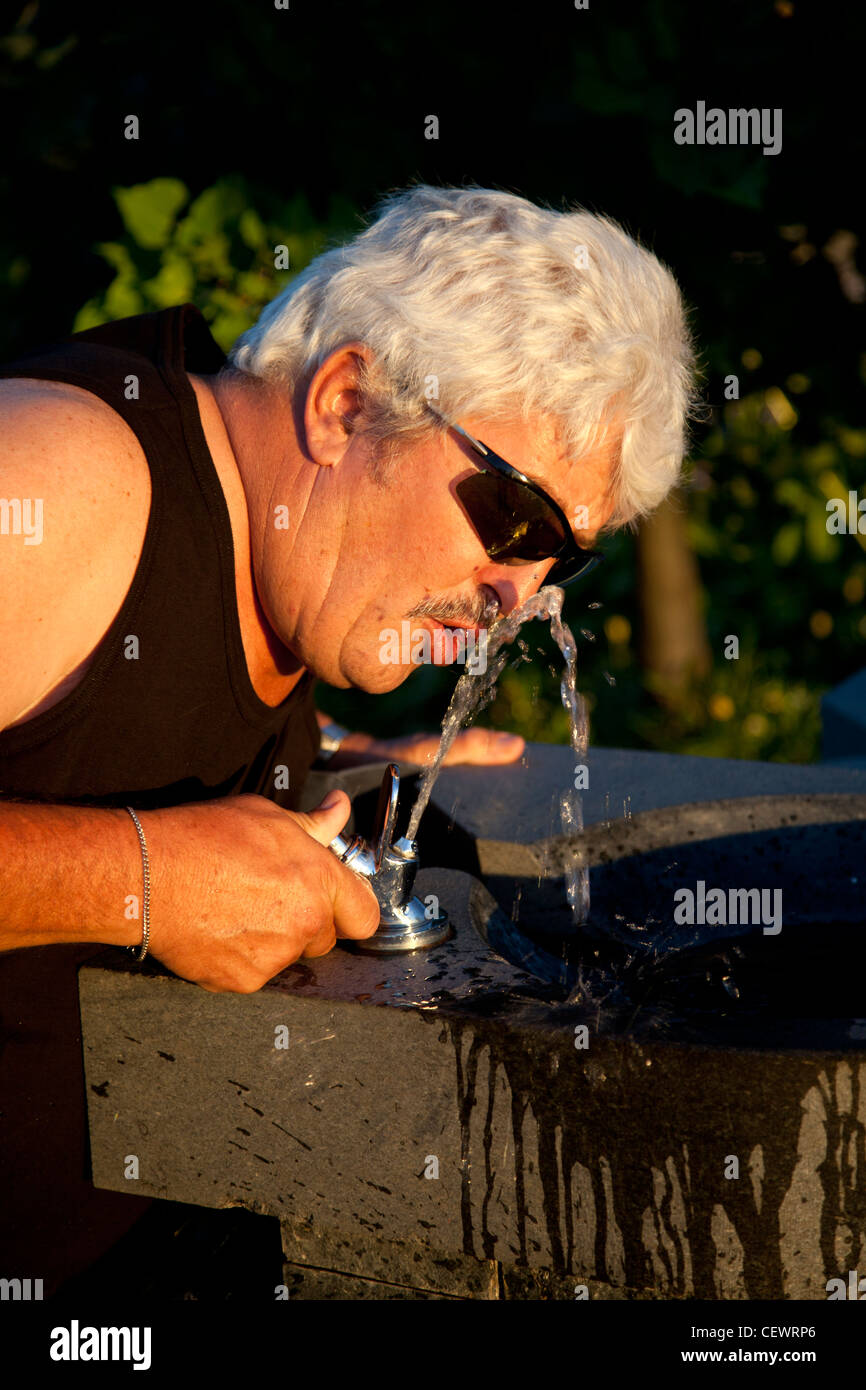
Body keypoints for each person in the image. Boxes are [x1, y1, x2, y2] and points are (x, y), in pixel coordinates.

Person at [0, 183, 696, 1290]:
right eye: (514, 521)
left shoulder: (265, 580)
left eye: (562, 558)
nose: (517, 596)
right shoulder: (70, 480)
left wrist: (328, 753)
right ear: (346, 402)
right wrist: (141, 875)